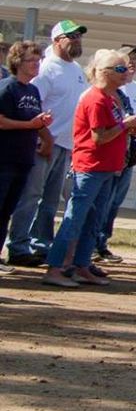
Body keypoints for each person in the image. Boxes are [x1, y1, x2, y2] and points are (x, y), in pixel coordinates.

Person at [42, 49, 136, 288]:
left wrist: (130, 129)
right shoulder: (96, 98)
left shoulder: (113, 97)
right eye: (120, 69)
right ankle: (55, 267)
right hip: (90, 167)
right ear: (104, 72)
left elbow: (116, 130)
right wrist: (124, 125)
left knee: (94, 220)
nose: (125, 72)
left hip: (108, 167)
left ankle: (81, 266)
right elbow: (99, 137)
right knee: (74, 218)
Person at [6, 19, 87, 266]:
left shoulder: (77, 70)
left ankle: (40, 245)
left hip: (66, 143)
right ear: (56, 40)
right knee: (31, 195)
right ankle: (18, 245)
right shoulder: (47, 68)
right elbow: (33, 107)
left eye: (78, 36)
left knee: (51, 200)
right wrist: (45, 138)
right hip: (44, 143)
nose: (76, 40)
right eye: (70, 36)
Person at [0, 40, 55, 269]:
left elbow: (34, 119)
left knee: (6, 212)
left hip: (23, 160)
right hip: (4, 159)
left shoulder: (32, 90)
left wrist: (46, 133)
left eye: (38, 59)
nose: (36, 64)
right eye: (31, 60)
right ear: (17, 62)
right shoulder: (7, 88)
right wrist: (30, 125)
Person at [94, 44, 136, 261]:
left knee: (115, 200)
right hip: (109, 149)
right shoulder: (108, 90)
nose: (132, 62)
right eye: (128, 58)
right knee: (102, 199)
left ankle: (102, 242)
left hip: (128, 150)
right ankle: (91, 244)